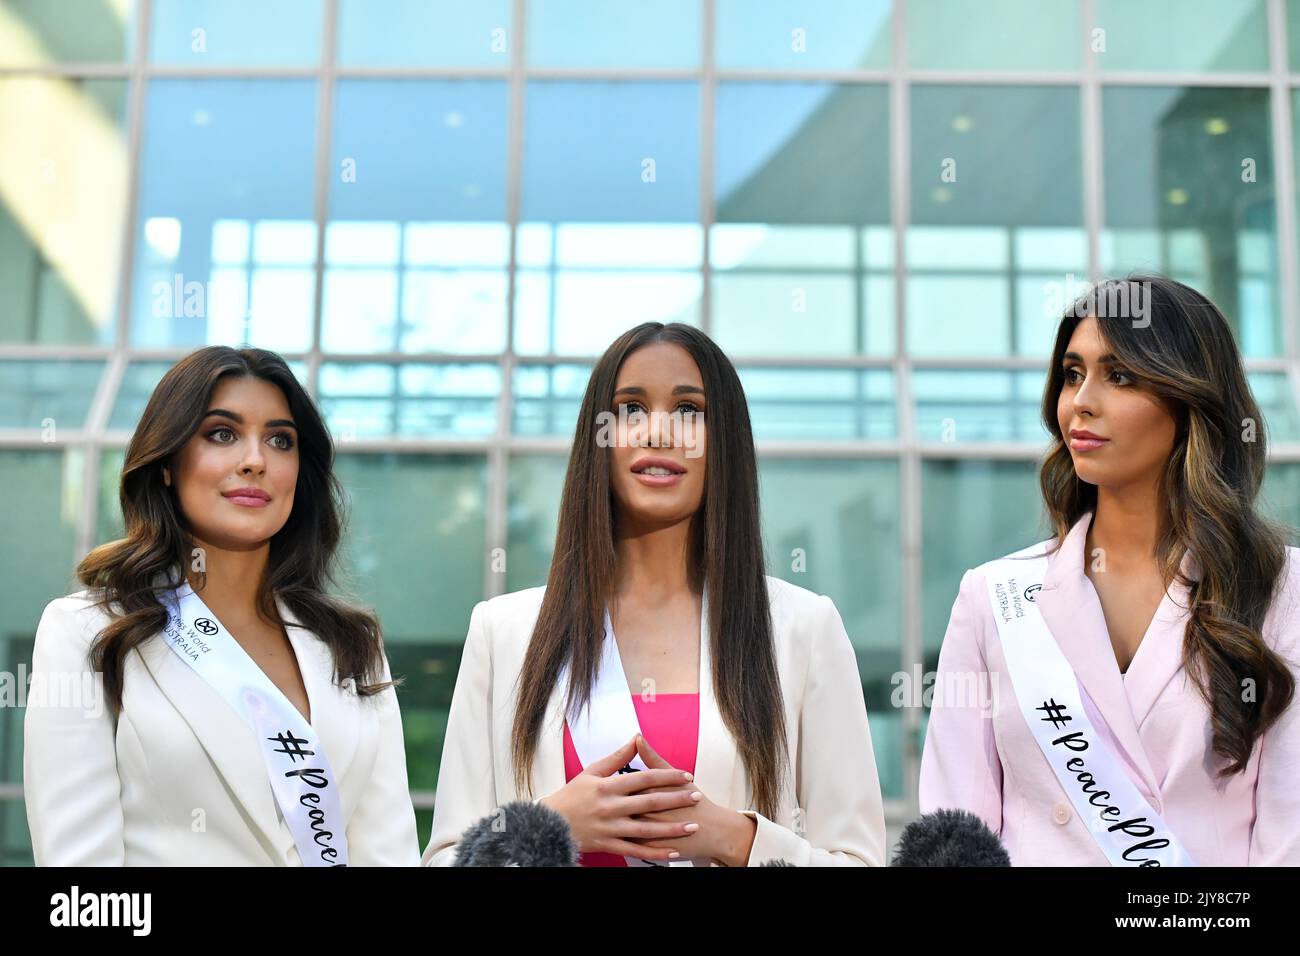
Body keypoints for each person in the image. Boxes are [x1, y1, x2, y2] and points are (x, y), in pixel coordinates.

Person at [424, 322, 885, 866]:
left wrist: (738, 839)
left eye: (690, 410)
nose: (658, 432)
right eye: (630, 409)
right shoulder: (504, 632)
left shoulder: (802, 628)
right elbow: (443, 860)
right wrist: (547, 830)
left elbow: (859, 860)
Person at [920, 275, 1300, 865]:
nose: (1081, 402)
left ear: (1190, 398)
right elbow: (954, 833)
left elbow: (1289, 838)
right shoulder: (996, 597)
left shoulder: (1281, 589)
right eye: (1073, 375)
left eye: (1119, 376)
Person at [24, 346, 419, 866]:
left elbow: (387, 853)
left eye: (280, 440)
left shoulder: (351, 644)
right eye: (222, 434)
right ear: (167, 463)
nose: (255, 460)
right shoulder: (88, 631)